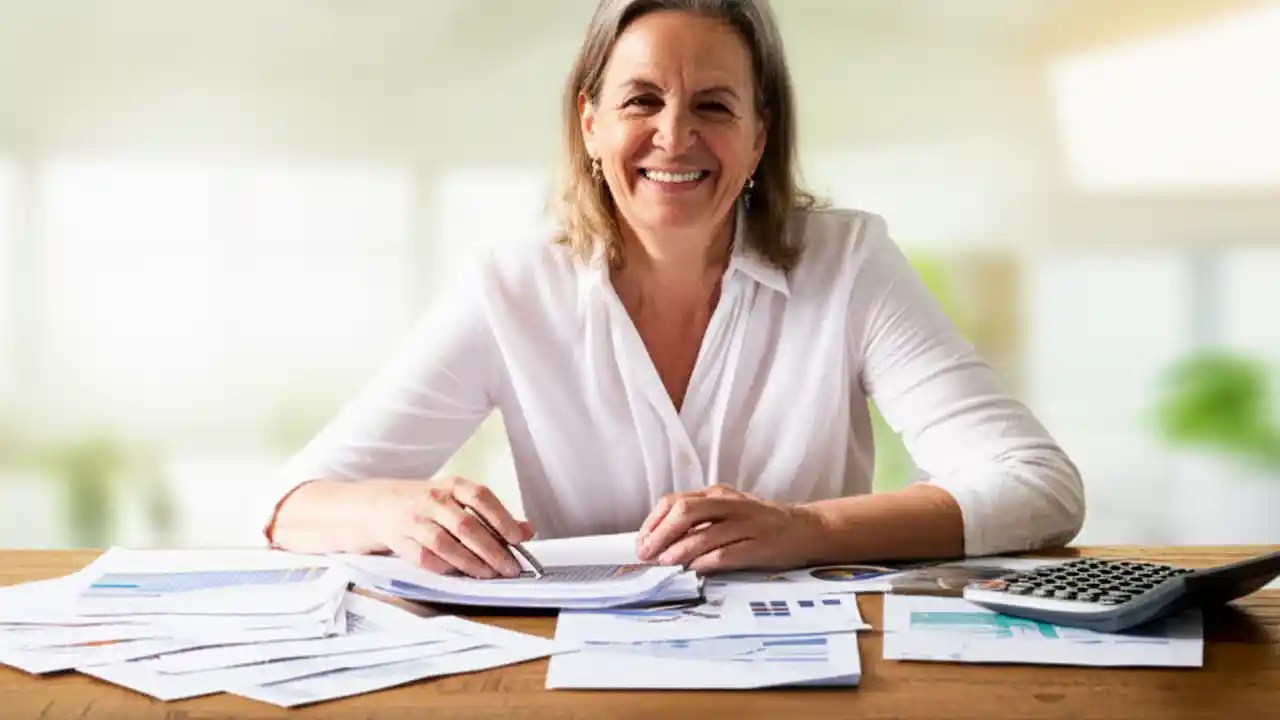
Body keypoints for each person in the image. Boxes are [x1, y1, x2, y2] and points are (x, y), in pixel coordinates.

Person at [262, 0, 1084, 579]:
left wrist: (805, 530)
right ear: (591, 123)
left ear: (761, 133)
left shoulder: (849, 263)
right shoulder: (509, 287)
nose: (674, 135)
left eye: (714, 106)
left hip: (819, 684)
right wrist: (396, 514)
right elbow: (290, 506)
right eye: (642, 101)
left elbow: (1038, 487)